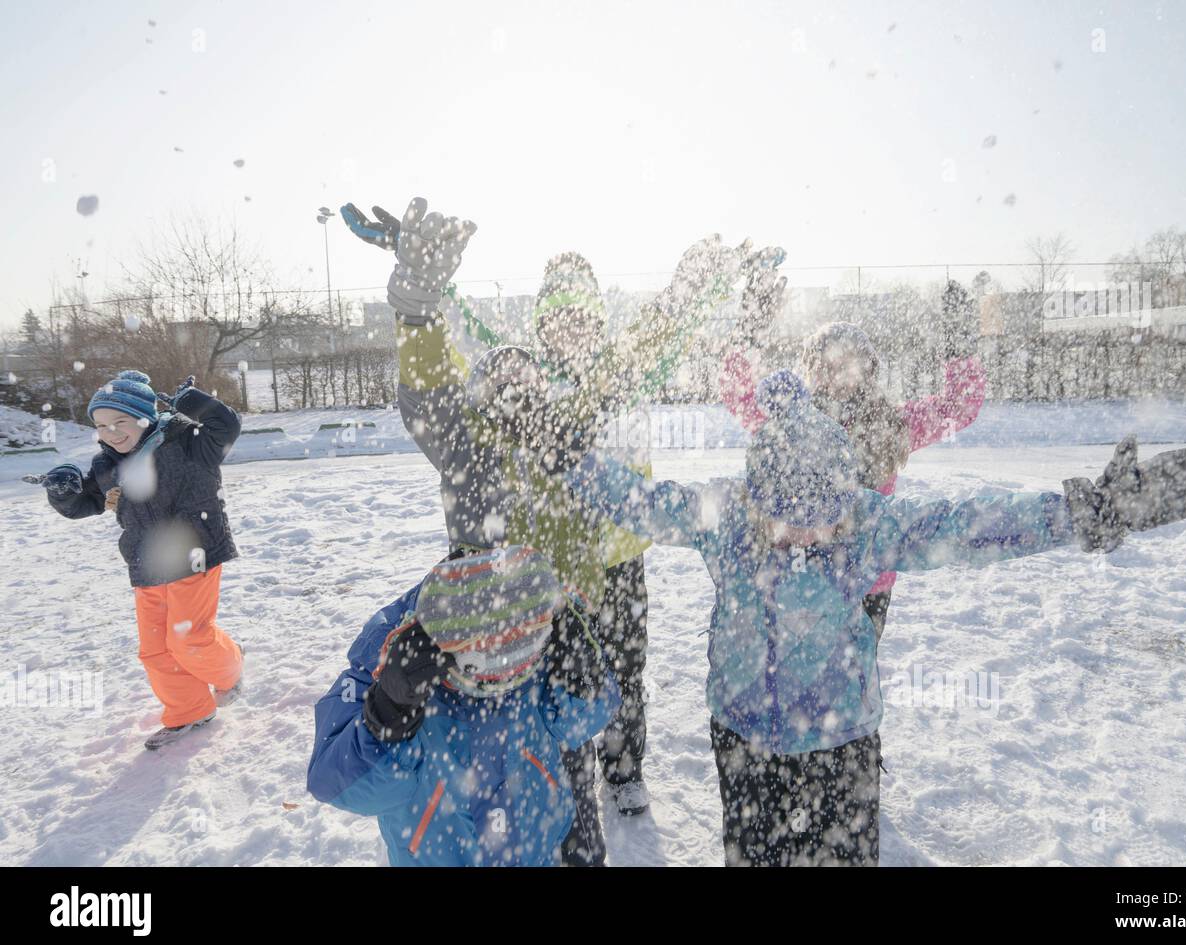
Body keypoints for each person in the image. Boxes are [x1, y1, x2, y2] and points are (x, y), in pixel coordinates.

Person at [562, 370, 1186, 865]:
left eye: (822, 518)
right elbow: (638, 500)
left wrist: (1084, 513)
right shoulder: (724, 518)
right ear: (755, 498)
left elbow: (971, 525)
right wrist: (567, 458)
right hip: (744, 739)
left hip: (843, 744)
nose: (805, 536)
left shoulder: (869, 529)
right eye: (787, 520)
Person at [343, 196, 746, 857]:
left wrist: (691, 290)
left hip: (604, 566)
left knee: (608, 684)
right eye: (556, 317)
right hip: (521, 600)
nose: (569, 329)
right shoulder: (487, 429)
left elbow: (660, 334)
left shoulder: (601, 384)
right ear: (539, 325)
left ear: (596, 321)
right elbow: (452, 342)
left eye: (582, 316)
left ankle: (620, 771)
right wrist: (417, 280)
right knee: (527, 731)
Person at [307, 545, 618, 866]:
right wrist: (388, 711)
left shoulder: (530, 624)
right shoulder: (384, 654)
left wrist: (583, 667)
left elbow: (582, 720)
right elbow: (332, 782)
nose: (503, 677)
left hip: (537, 847)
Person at [721, 315, 987, 645]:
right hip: (803, 577)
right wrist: (750, 327)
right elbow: (740, 394)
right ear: (810, 369)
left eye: (845, 364)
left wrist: (959, 350)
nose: (834, 374)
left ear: (867, 370)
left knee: (855, 683)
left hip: (867, 583)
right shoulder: (790, 423)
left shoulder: (891, 425)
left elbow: (958, 407)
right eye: (825, 364)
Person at [33, 371, 244, 751]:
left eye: (120, 422)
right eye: (101, 425)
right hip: (145, 563)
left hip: (194, 552)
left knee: (190, 639)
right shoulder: (108, 465)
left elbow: (226, 424)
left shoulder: (189, 442)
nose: (111, 432)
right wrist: (64, 493)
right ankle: (189, 709)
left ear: (144, 417)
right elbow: (85, 503)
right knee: (155, 650)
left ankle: (231, 670)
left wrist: (190, 401)